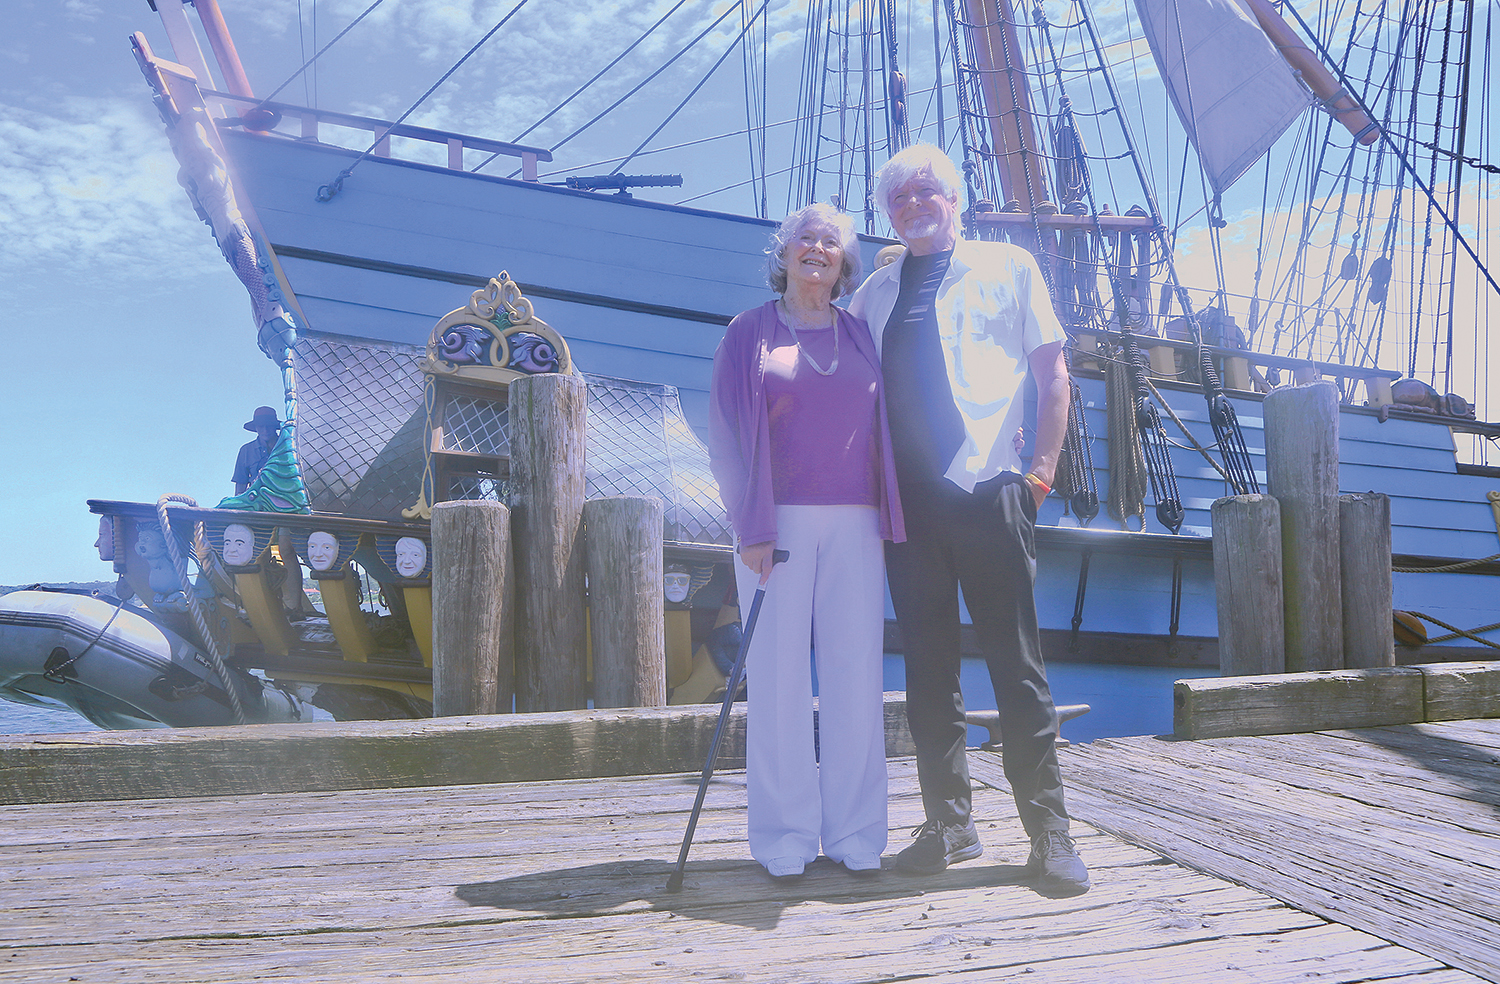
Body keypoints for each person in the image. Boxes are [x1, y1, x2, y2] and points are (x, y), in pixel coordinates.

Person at [847, 144, 1090, 895]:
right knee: (927, 670)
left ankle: (1049, 831)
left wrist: (1041, 472)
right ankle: (948, 823)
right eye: (901, 198)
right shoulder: (874, 295)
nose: (915, 205)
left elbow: (1053, 373)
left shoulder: (1008, 266)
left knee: (1017, 668)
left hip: (989, 491)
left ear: (956, 199)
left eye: (928, 192)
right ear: (888, 213)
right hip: (909, 505)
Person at [709, 202, 905, 879]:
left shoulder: (859, 335)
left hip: (856, 523)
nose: (816, 250)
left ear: (845, 263)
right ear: (784, 253)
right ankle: (784, 835)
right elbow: (729, 437)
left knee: (856, 676)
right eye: (805, 239)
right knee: (778, 679)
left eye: (829, 242)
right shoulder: (748, 334)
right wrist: (751, 525)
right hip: (777, 523)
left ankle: (854, 833)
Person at [233, 406, 282, 494]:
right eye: (261, 426)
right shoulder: (246, 450)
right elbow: (240, 485)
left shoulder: (288, 446)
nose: (265, 430)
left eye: (269, 426)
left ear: (275, 426)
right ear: (256, 427)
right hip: (256, 501)